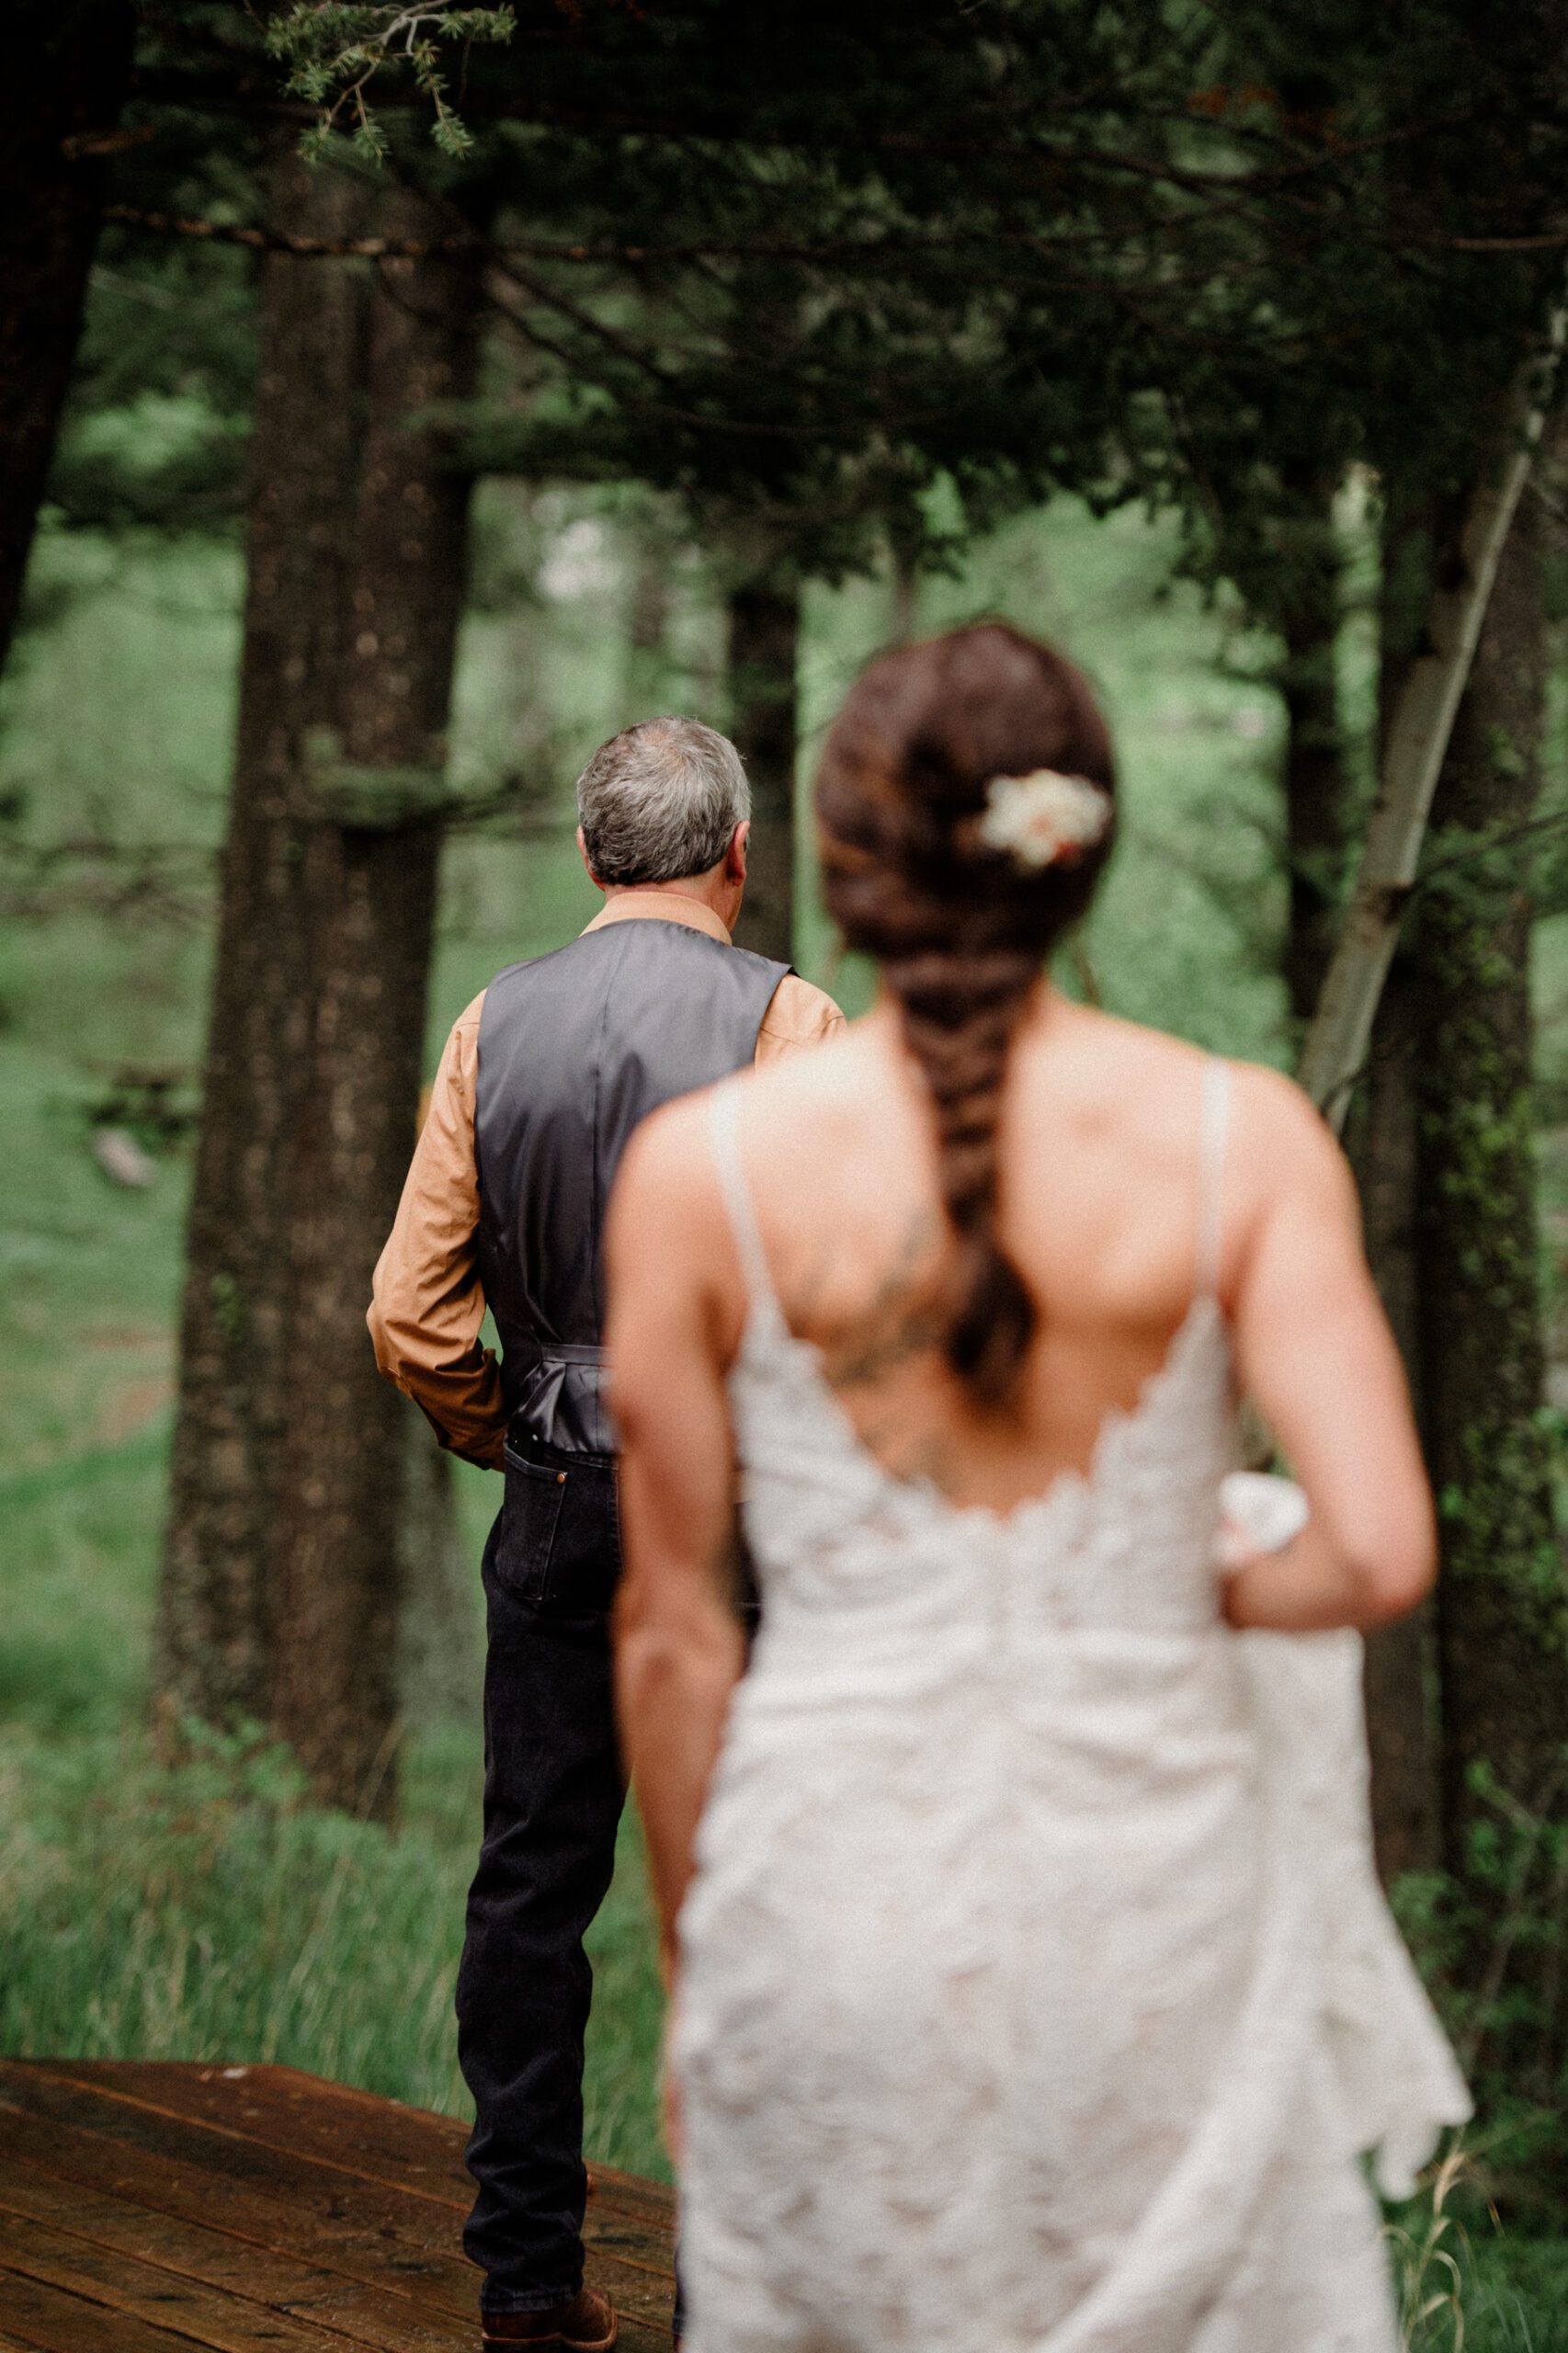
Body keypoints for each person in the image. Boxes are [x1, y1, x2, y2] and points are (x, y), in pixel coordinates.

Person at [607, 624, 1470, 2353]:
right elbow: (1375, 1550)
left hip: (826, 1899)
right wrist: (1188, 1568)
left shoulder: (703, 1173)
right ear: (1076, 852)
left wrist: (698, 1976)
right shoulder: (1240, 1141)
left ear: (840, 865)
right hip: (1156, 1911)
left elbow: (672, 1638)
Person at [368, 715, 844, 2353]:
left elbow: (408, 1315)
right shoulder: (792, 1021)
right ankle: (732, 2297)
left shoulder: (494, 1021)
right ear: (733, 855)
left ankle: (524, 2284)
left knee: (530, 1891)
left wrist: (516, 1434)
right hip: (735, 1523)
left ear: (587, 858)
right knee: (746, 1899)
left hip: (561, 1504)